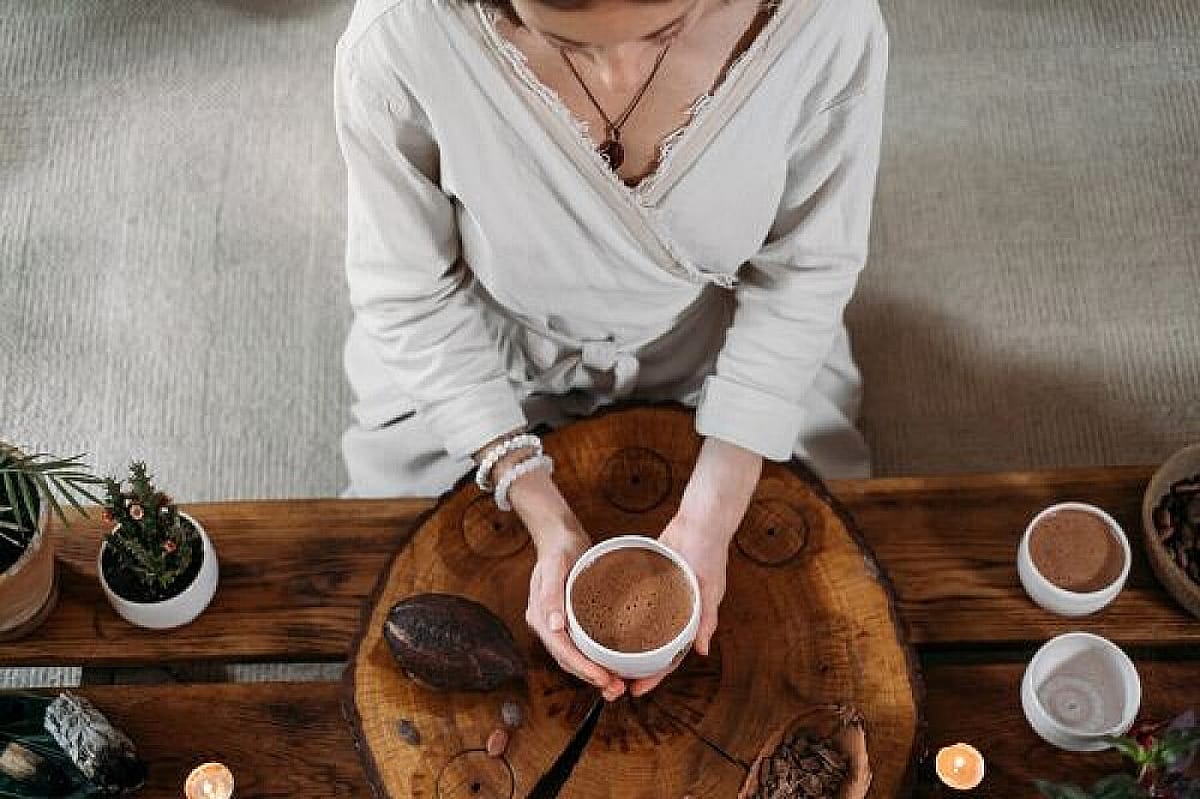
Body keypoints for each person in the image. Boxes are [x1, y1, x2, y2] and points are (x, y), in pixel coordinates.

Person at [335, 0, 888, 702]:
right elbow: (410, 293)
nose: (618, 67)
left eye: (662, 32)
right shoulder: (400, 35)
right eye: (563, 41)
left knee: (819, 579)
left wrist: (711, 511)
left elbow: (807, 268)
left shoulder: (829, 23)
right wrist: (538, 503)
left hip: (709, 340)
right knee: (392, 584)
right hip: (489, 345)